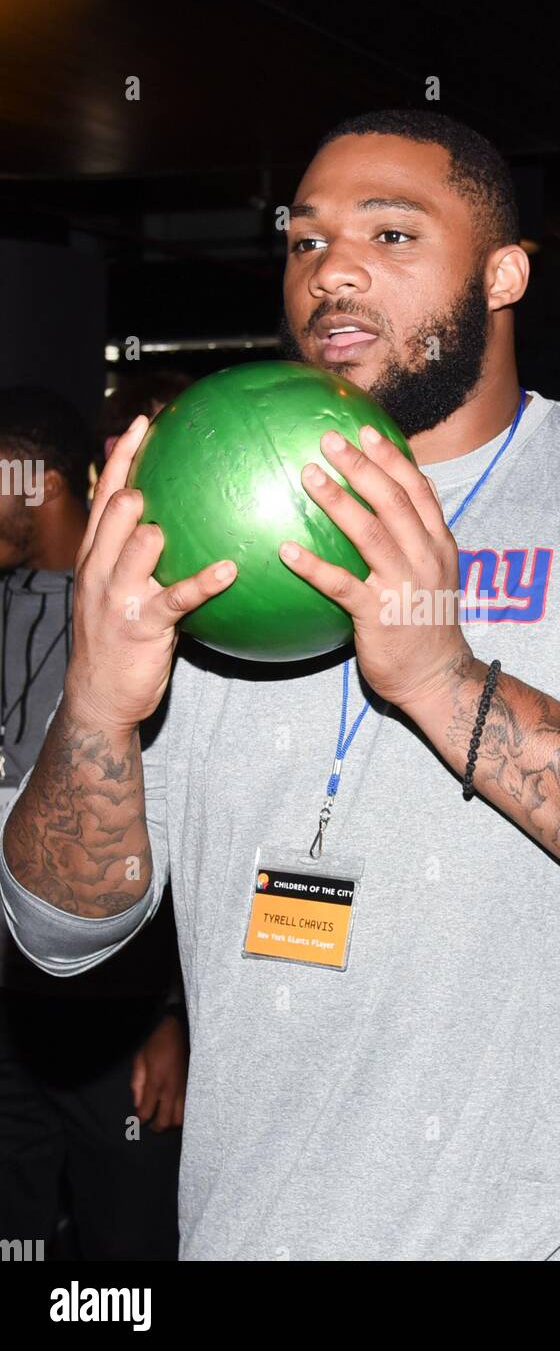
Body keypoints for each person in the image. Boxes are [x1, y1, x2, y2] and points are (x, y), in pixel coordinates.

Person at [1, 111, 560, 1262]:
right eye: (304, 241)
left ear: (506, 272)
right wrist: (97, 711)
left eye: (394, 232)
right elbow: (59, 932)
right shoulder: (203, 523)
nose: (334, 269)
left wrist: (451, 688)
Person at [0, 385, 187, 1260]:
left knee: (128, 1242)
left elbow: (186, 820)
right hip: (9, 999)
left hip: (113, 1008)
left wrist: (175, 1014)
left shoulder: (150, 616)